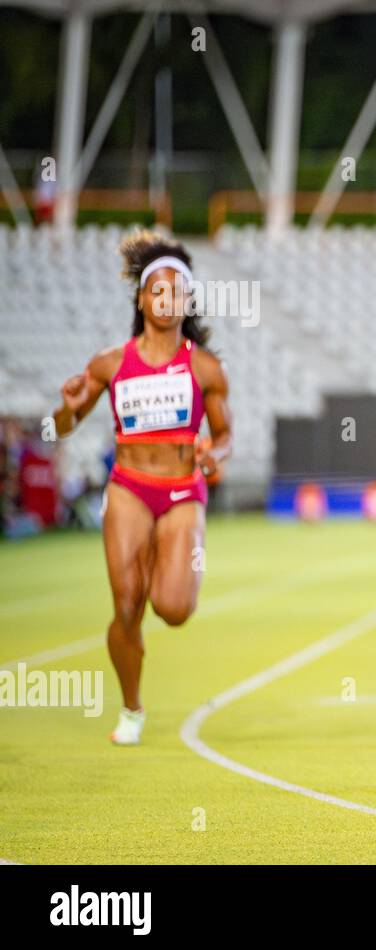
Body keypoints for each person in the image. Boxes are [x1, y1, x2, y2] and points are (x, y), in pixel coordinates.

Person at [51, 230, 232, 746]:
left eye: (177, 291)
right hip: (129, 489)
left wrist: (213, 456)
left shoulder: (205, 368)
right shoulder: (110, 363)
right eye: (158, 289)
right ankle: (131, 710)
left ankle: (162, 555)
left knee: (173, 609)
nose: (167, 299)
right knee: (127, 605)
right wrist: (67, 405)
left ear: (187, 301)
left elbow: (225, 436)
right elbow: (61, 428)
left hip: (180, 493)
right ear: (142, 298)